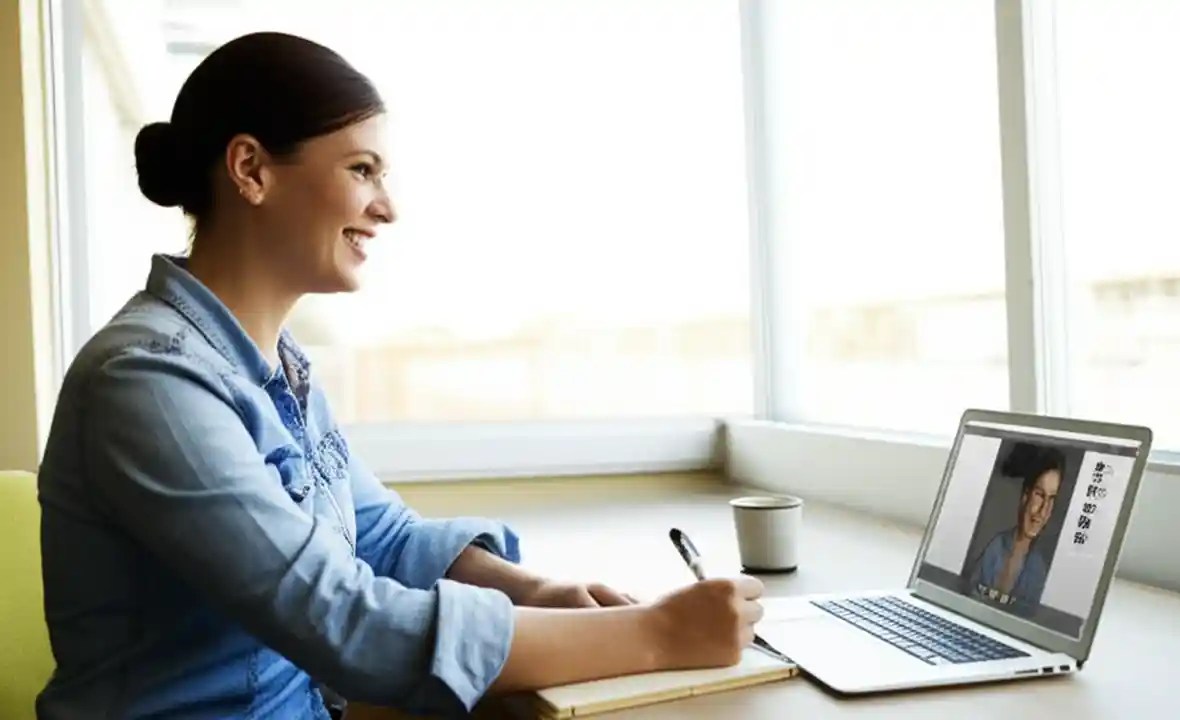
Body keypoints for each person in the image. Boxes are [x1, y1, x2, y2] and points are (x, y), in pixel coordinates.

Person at [35, 32, 762, 720]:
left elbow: (379, 538)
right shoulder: (148, 384)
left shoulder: (273, 366)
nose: (387, 206)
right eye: (362, 170)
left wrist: (542, 593)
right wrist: (658, 635)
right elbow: (346, 622)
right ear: (251, 170)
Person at [963, 443, 1064, 616]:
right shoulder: (996, 547)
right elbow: (967, 597)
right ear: (1025, 496)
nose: (1043, 511)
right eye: (1040, 495)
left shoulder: (1038, 569)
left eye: (1051, 499)